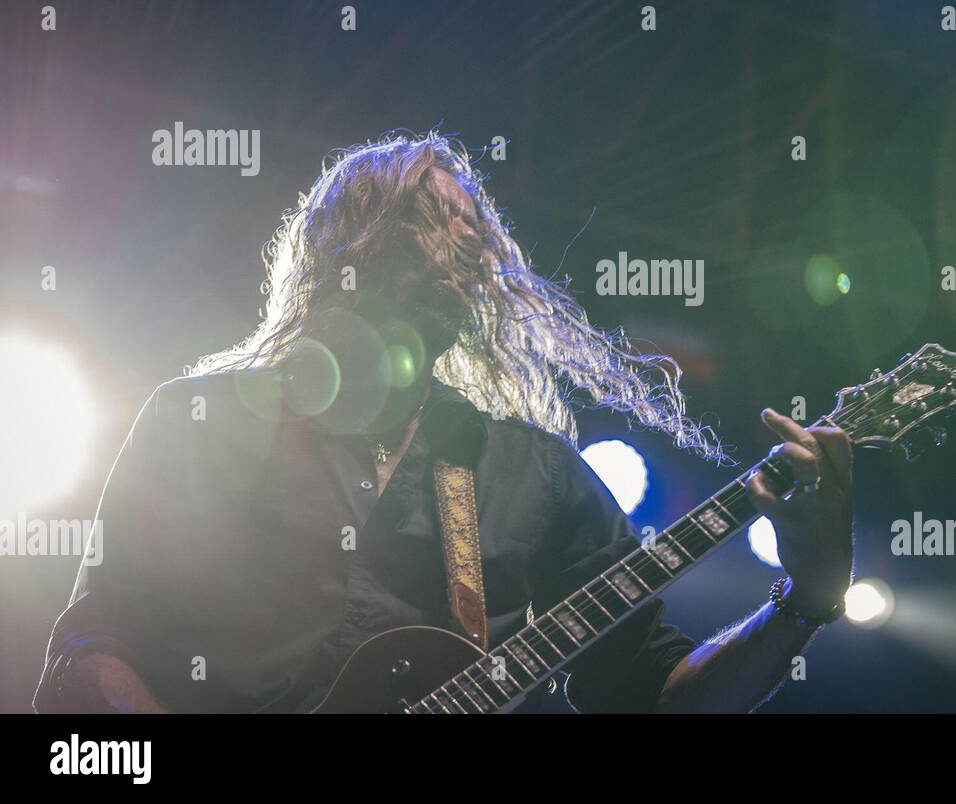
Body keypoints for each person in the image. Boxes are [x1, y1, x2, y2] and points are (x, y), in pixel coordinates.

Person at [35, 132, 853, 713]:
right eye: (433, 215)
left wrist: (806, 600)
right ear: (351, 246)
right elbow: (83, 664)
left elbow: (657, 698)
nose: (469, 237)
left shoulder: (530, 473)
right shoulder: (201, 425)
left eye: (476, 223)